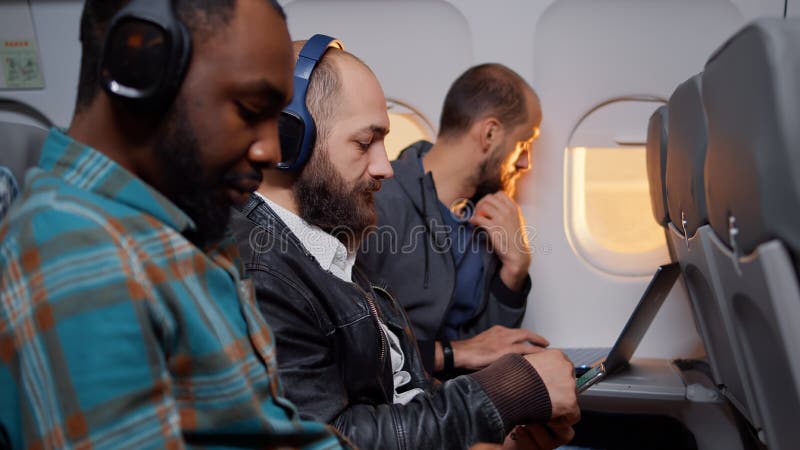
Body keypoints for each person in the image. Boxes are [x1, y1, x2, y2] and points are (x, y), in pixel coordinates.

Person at [0, 1, 348, 448]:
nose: (268, 151)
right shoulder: (79, 253)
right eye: (248, 108)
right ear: (139, 67)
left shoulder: (175, 229)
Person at [231, 38, 579, 450]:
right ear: (288, 141)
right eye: (364, 143)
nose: (384, 168)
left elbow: (405, 385)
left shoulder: (330, 249)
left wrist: (502, 436)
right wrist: (504, 393)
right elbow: (328, 439)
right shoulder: (263, 273)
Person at [359, 64, 544, 376]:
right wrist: (451, 353)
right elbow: (359, 350)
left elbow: (490, 346)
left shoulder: (486, 216)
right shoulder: (381, 202)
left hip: (462, 392)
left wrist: (515, 270)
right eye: (524, 142)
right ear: (490, 133)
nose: (526, 161)